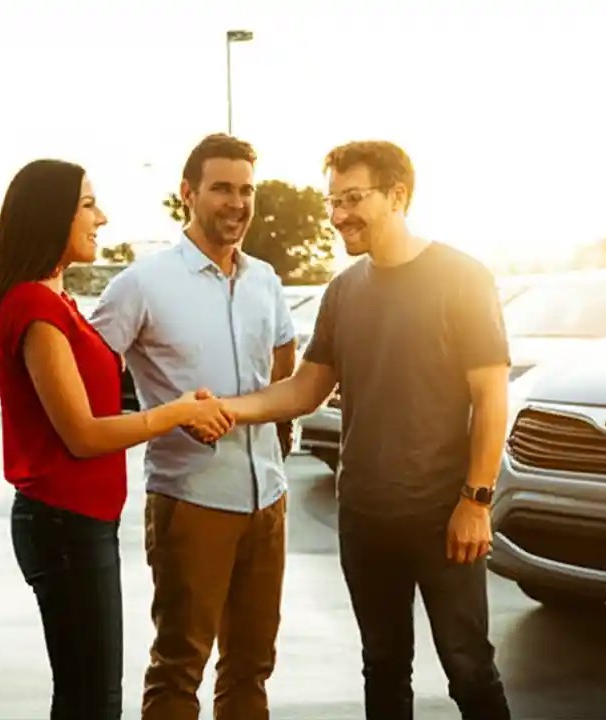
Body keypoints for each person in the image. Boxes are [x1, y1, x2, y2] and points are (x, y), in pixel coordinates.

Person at [219, 140, 513, 720]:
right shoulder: (344, 291)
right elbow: (305, 390)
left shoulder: (462, 277)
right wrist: (228, 409)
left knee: (468, 665)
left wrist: (476, 501)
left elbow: (491, 397)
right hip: (364, 517)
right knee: (382, 664)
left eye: (353, 199)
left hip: (443, 515)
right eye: (333, 201)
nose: (338, 215)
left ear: (397, 196)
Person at [0, 158, 235, 720]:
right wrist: (176, 413)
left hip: (78, 524)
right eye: (89, 205)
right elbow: (83, 435)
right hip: (62, 525)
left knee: (89, 698)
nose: (102, 218)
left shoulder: (57, 302)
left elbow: (92, 413)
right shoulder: (34, 307)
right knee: (92, 702)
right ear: (52, 215)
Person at [88, 134, 298, 720]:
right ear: (188, 193)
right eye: (222, 188)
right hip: (191, 500)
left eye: (247, 190)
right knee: (179, 667)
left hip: (267, 499)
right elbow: (86, 379)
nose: (238, 203)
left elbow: (284, 358)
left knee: (252, 666)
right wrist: (156, 421)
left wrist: (276, 429)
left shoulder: (265, 279)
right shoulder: (141, 284)